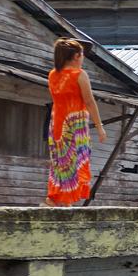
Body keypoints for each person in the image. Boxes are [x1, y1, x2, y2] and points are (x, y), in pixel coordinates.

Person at [46, 38, 107, 206]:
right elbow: (89, 101)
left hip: (57, 123)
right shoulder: (79, 75)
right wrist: (100, 127)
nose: (82, 58)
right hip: (74, 124)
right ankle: (66, 201)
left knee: (60, 162)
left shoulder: (53, 75)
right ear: (75, 56)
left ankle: (57, 199)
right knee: (75, 160)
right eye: (81, 55)